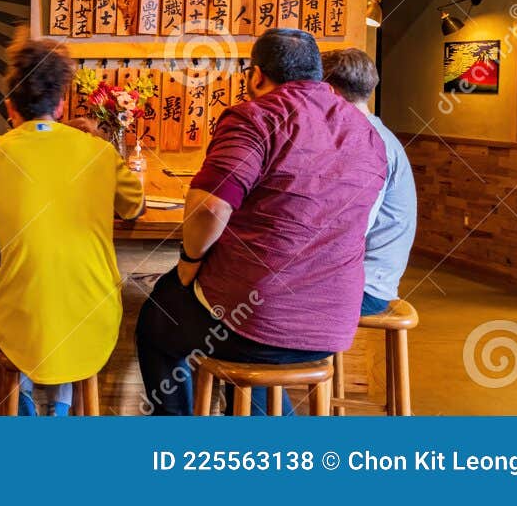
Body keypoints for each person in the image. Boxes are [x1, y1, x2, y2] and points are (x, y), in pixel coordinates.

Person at [135, 28, 387, 415]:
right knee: (241, 330)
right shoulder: (366, 132)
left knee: (157, 319)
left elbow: (209, 209)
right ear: (318, 74)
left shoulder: (257, 116)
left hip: (257, 321)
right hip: (334, 327)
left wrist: (189, 263)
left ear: (255, 75)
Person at [0, 40, 144, 416]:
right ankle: (61, 410)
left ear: (9, 108)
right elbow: (134, 208)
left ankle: (23, 400)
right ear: (62, 104)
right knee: (58, 297)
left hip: (22, 319)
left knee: (4, 292)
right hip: (93, 315)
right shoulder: (98, 151)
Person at [322, 48, 416, 316]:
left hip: (364, 288)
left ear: (328, 92)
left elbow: (350, 229)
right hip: (363, 280)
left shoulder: (366, 143)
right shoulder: (374, 135)